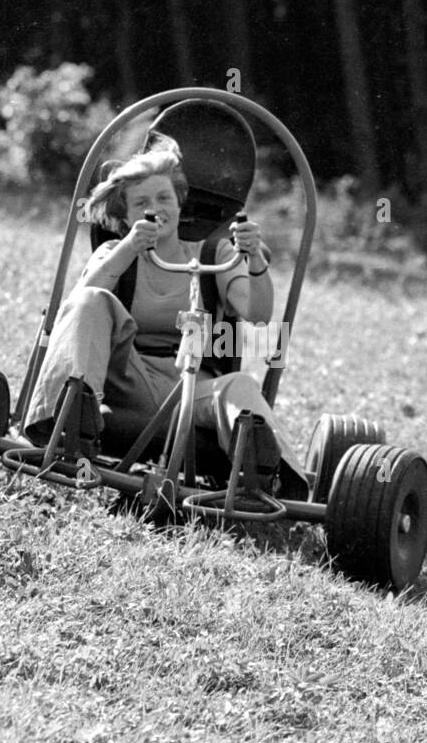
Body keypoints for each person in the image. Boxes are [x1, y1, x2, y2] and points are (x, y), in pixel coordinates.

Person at [22, 135, 308, 496]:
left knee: (241, 386)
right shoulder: (114, 252)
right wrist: (130, 247)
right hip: (128, 380)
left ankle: (267, 470)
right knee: (90, 299)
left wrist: (253, 258)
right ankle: (69, 421)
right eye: (140, 202)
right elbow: (81, 302)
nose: (154, 208)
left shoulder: (213, 252)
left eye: (163, 198)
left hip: (192, 389)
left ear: (179, 203)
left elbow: (258, 315)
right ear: (124, 216)